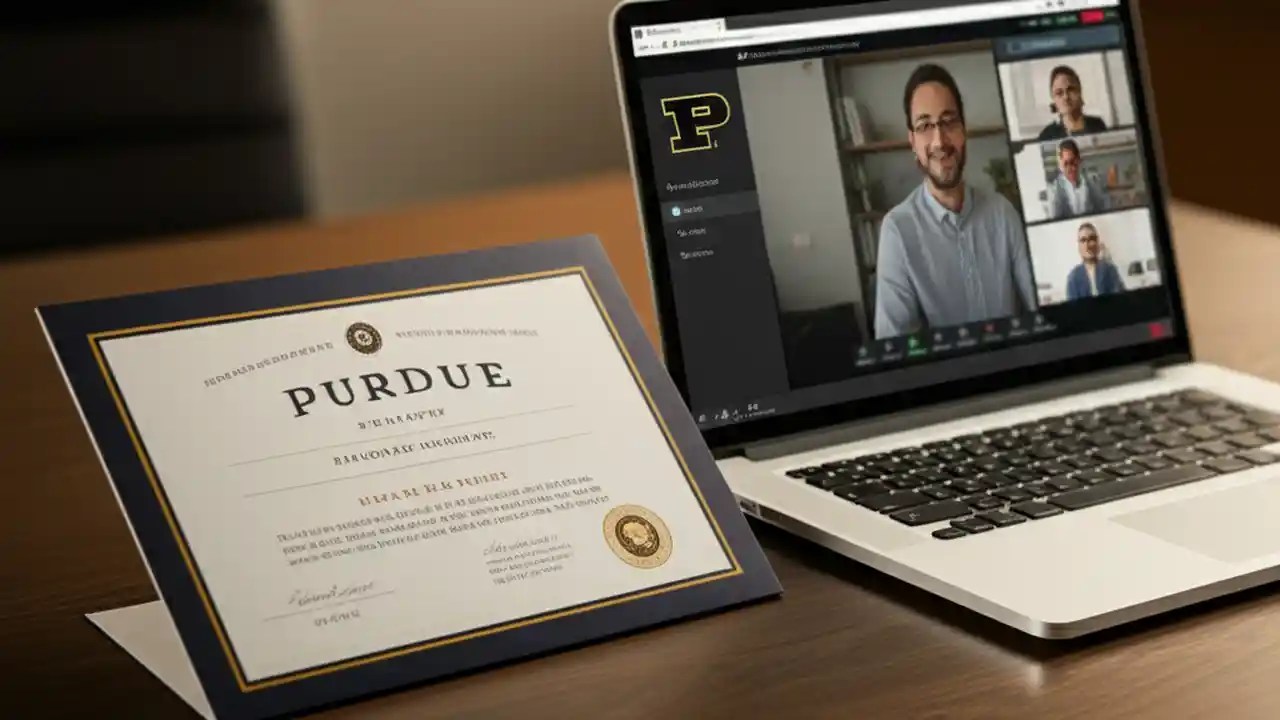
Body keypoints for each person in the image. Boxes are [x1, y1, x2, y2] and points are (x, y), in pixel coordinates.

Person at [874, 63, 1037, 339]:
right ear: (912, 141)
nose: (939, 141)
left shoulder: (1003, 213)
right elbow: (895, 346)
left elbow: (1040, 310)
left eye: (948, 121)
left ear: (964, 130)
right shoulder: (897, 231)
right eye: (925, 126)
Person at [1037, 65, 1108, 141]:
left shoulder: (1097, 125)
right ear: (1053, 99)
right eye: (1059, 93)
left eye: (1070, 90)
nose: (1066, 97)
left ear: (1079, 91)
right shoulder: (1047, 136)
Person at [1047, 139, 1109, 220]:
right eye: (1065, 164)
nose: (1070, 168)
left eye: (1073, 162)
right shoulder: (1054, 190)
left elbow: (1104, 211)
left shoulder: (1094, 183)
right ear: (1060, 166)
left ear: (1079, 160)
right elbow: (1054, 221)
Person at [1066, 222, 1125, 300]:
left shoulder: (1110, 270)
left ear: (1097, 243)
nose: (1087, 245)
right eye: (1083, 240)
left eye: (1091, 239)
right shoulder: (1073, 277)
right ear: (1079, 246)